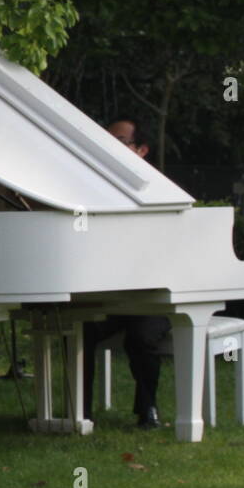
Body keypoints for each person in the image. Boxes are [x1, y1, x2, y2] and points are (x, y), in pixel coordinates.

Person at [82, 117, 172, 429]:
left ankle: (147, 409)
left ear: (142, 149)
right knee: (80, 330)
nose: (110, 147)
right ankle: (80, 411)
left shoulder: (162, 192)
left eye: (119, 142)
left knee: (141, 337)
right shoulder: (95, 191)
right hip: (111, 298)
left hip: (154, 297)